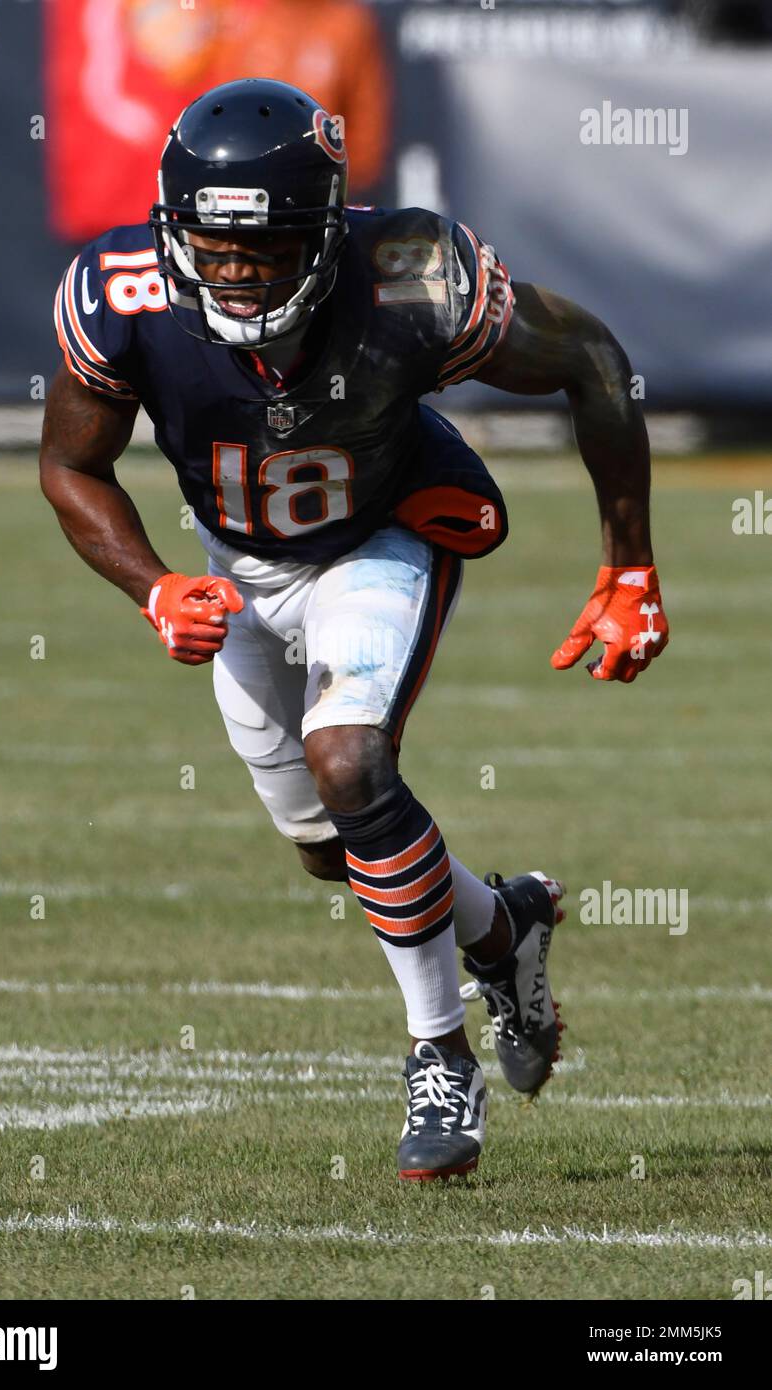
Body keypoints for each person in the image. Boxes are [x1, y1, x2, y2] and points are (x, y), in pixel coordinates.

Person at [40, 79, 669, 1181]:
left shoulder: (408, 278)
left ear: (326, 232)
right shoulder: (119, 290)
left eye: (267, 249)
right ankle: (499, 925)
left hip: (381, 534)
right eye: (215, 247)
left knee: (349, 763)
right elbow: (70, 465)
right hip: (237, 563)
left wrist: (628, 564)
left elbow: (591, 363)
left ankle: (438, 1056)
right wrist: (151, 586)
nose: (236, 272)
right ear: (172, 224)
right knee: (333, 849)